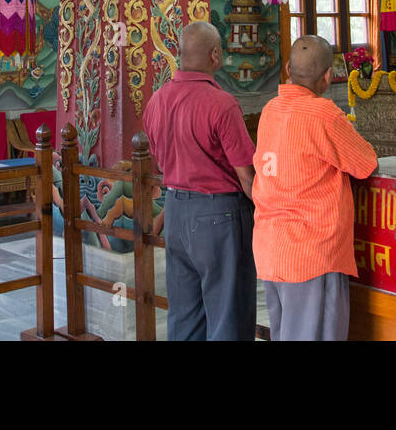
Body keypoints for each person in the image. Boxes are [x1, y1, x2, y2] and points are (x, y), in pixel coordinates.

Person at [253, 35, 378, 341]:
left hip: (271, 248)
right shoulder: (323, 114)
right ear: (327, 77)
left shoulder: (270, 109)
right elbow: (366, 164)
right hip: (310, 253)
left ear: (287, 69)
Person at [141, 21, 256, 340]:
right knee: (227, 315)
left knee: (184, 314)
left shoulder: (156, 101)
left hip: (176, 212)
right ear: (215, 55)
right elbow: (246, 177)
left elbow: (159, 160)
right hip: (219, 216)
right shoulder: (221, 104)